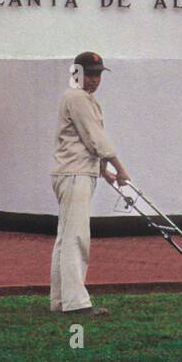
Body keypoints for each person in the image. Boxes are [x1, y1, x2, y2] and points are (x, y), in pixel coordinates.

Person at [50, 51, 131, 317]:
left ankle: (61, 300)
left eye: (98, 74)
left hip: (74, 172)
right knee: (76, 238)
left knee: (65, 238)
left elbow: (84, 140)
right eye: (90, 74)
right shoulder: (77, 98)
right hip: (74, 174)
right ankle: (76, 304)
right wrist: (120, 169)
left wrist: (102, 170)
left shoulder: (80, 99)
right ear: (77, 73)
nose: (95, 79)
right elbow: (95, 138)